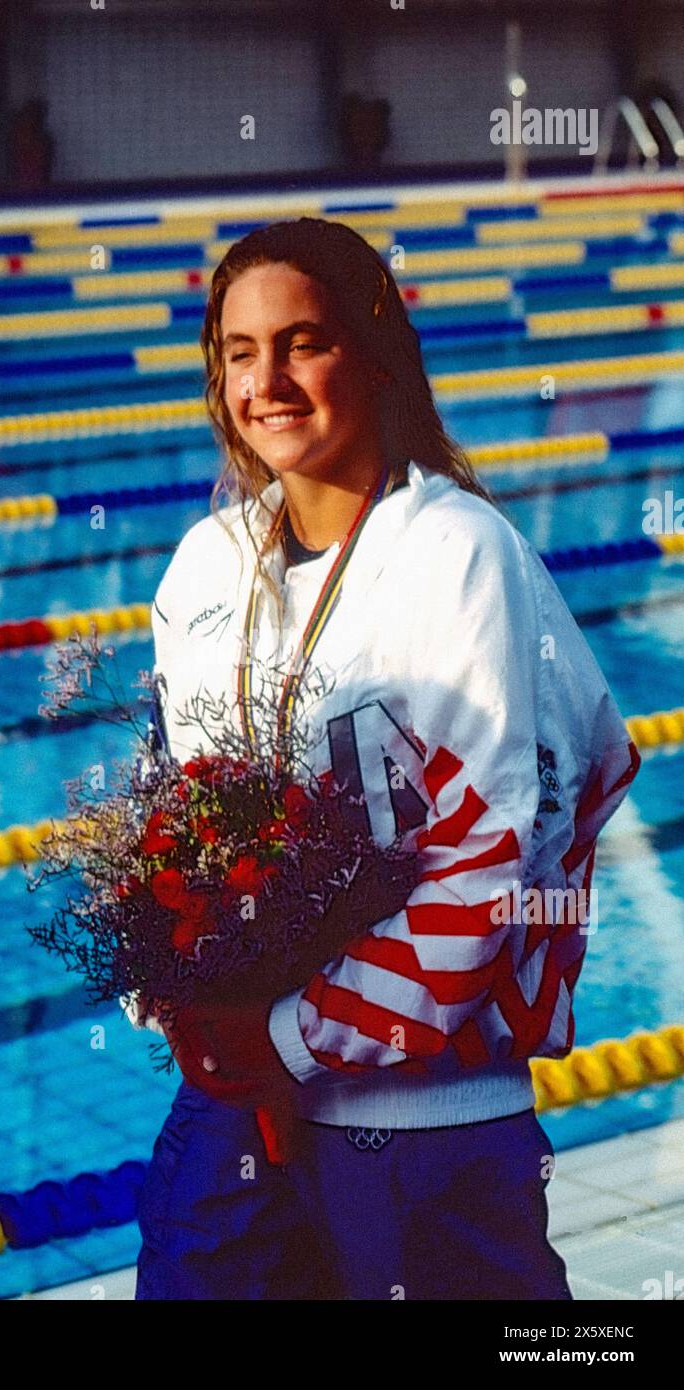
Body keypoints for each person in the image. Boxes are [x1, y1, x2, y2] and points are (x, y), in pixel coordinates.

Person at [126, 217, 641, 1300]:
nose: (267, 382)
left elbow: (491, 871)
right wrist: (173, 989)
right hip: (235, 1119)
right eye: (238, 352)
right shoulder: (205, 563)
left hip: (423, 1137)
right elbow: (172, 815)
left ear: (372, 347)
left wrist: (283, 1033)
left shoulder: (455, 553)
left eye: (301, 343)